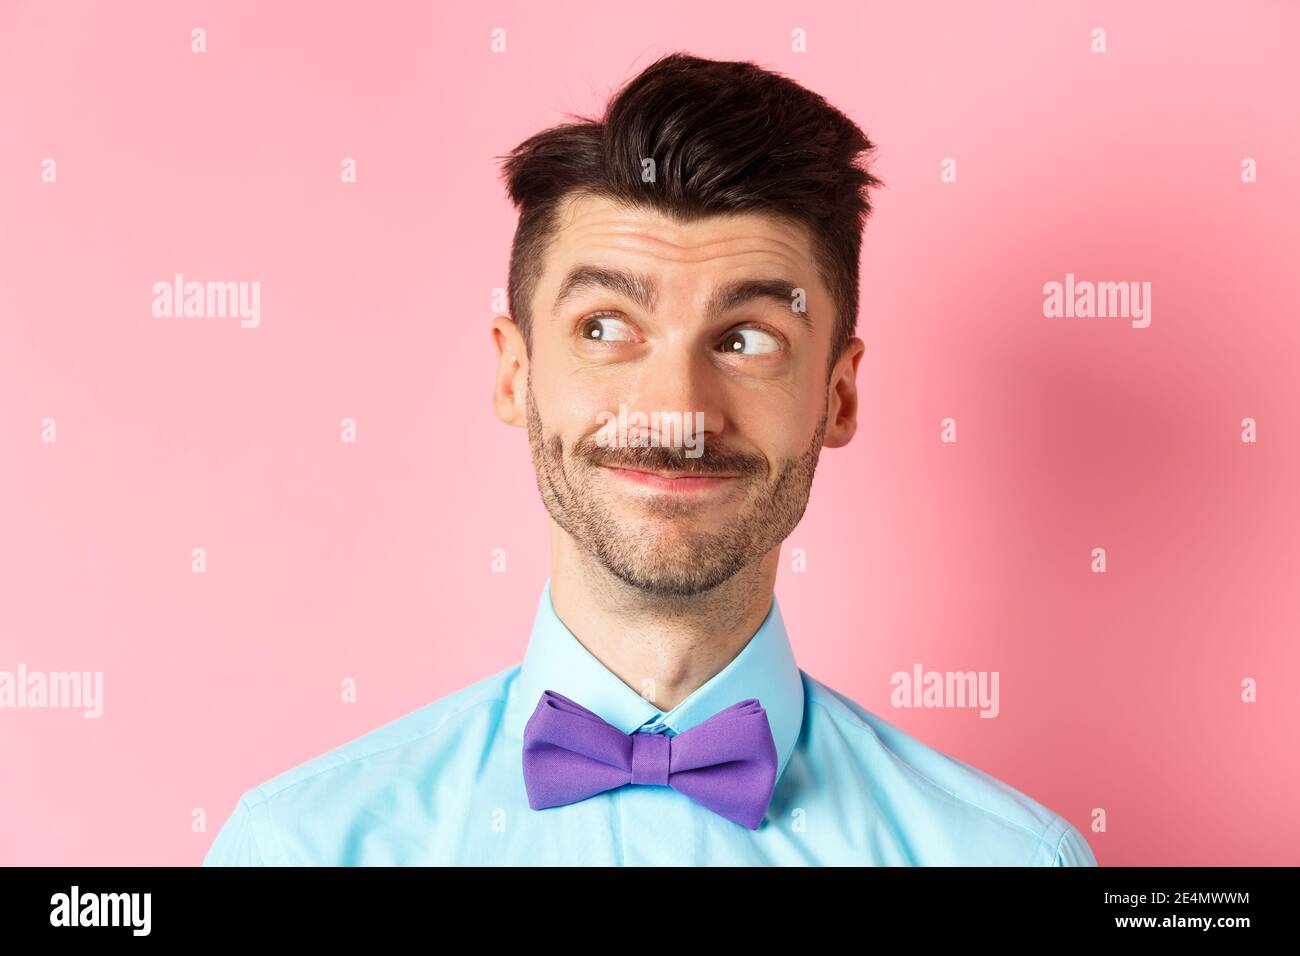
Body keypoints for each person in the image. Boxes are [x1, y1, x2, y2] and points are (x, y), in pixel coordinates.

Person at [204, 52, 1096, 866]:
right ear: (517, 374)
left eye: (747, 338)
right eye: (604, 329)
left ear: (837, 395)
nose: (676, 413)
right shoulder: (298, 849)